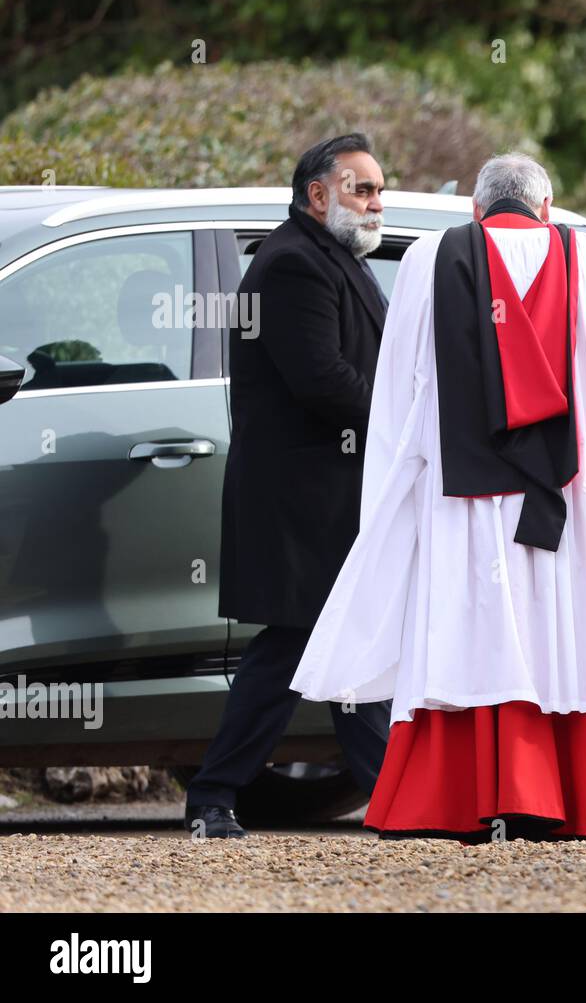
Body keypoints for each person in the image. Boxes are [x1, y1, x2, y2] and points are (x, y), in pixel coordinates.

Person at [290, 153, 586, 842]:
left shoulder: (427, 261)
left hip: (463, 499)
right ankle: (585, 800)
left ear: (475, 210)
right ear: (546, 206)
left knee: (473, 638)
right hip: (573, 502)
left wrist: (392, 499)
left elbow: (399, 398)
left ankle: (461, 800)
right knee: (571, 636)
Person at [184, 133, 393, 839]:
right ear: (317, 194)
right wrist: (405, 420)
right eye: (362, 188)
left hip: (327, 498)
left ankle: (392, 794)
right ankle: (213, 795)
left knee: (334, 652)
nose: (375, 202)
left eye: (378, 189)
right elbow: (324, 381)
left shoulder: (333, 258)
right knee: (292, 649)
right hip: (302, 503)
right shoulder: (292, 265)